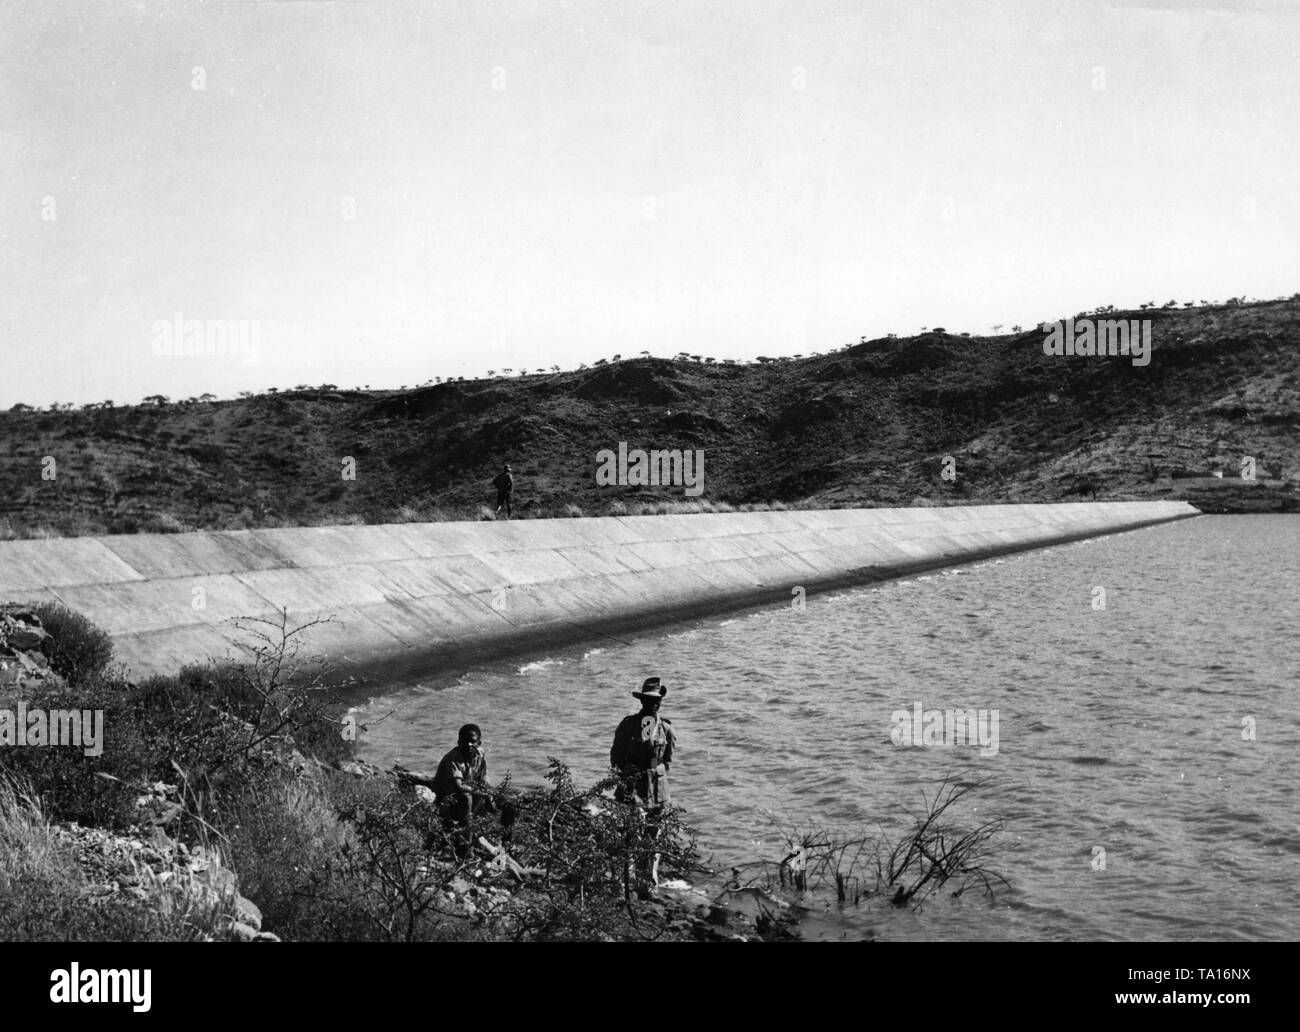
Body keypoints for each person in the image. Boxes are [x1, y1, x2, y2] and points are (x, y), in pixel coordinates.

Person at [610, 677, 676, 894]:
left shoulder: (666, 729)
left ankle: (648, 881)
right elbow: (616, 755)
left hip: (657, 785)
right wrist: (626, 777)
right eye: (649, 700)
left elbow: (667, 760)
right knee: (629, 831)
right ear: (642, 701)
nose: (654, 703)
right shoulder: (628, 725)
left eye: (657, 700)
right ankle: (623, 882)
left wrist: (656, 775)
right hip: (632, 781)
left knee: (653, 834)